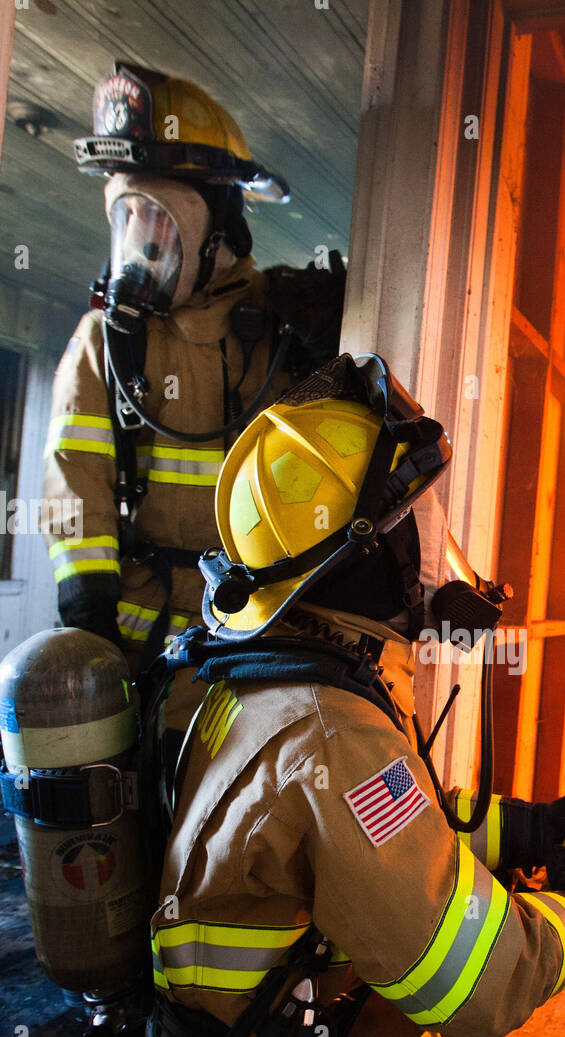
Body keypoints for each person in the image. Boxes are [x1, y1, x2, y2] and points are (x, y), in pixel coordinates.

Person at [139, 352, 565, 1037]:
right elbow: (476, 984)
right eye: (414, 524)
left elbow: (382, 838)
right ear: (363, 552)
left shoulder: (257, 679)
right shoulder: (333, 732)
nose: (430, 547)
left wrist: (532, 829)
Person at [41, 62, 345, 726]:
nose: (143, 244)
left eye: (161, 219)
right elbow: (77, 480)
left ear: (219, 227)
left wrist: (337, 347)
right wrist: (88, 618)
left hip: (253, 647)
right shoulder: (107, 342)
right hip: (135, 651)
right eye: (129, 218)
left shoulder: (285, 329)